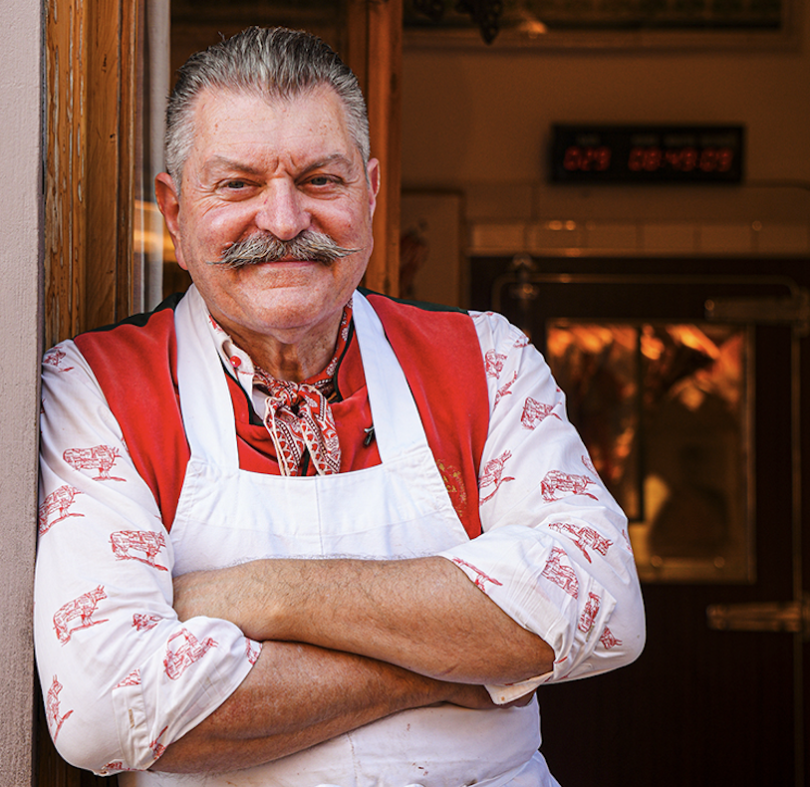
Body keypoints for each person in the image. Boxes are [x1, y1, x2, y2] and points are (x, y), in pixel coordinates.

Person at [34, 26, 645, 787]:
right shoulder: (100, 387)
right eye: (238, 185)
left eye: (321, 180)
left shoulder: (483, 359)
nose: (285, 220)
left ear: (372, 193)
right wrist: (454, 669)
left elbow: (606, 606)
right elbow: (102, 706)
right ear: (173, 212)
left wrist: (263, 594)